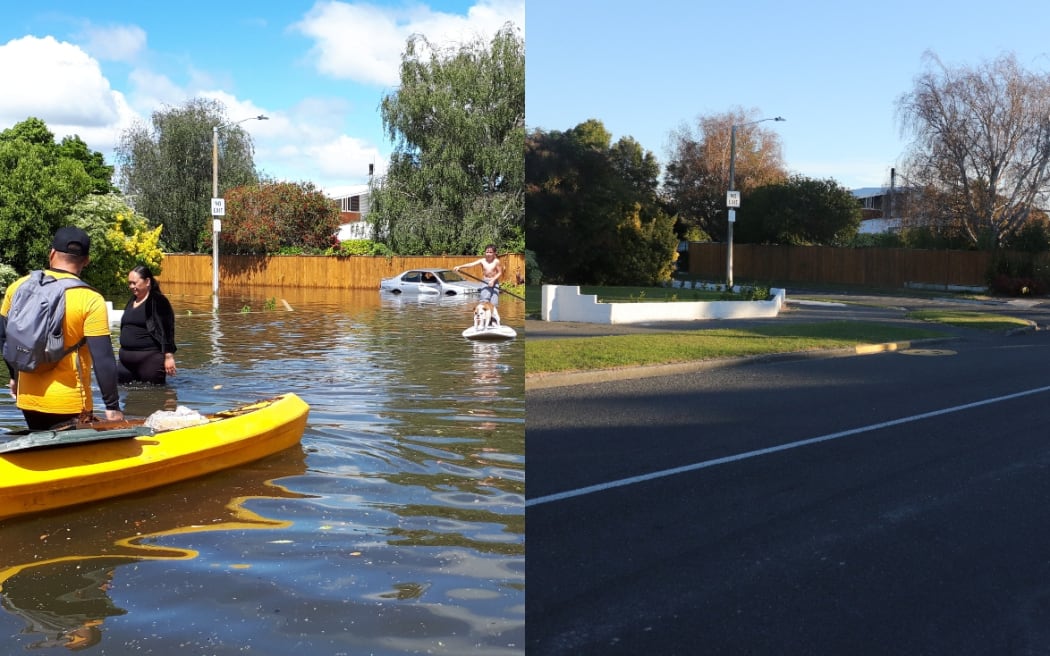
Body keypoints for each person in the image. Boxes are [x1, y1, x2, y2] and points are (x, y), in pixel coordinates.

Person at [0, 226, 123, 430]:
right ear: (86, 261)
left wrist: (15, 377)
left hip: (28, 398)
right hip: (70, 402)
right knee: (75, 459)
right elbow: (103, 358)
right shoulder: (90, 299)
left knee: (43, 458)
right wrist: (112, 407)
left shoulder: (18, 287)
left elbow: (4, 337)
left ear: (52, 254)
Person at [117, 265, 177, 385]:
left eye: (134, 283)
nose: (131, 287)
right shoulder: (132, 300)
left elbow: (167, 328)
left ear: (147, 281)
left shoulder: (159, 301)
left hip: (149, 359)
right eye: (129, 283)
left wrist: (169, 356)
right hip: (125, 361)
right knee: (127, 399)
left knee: (153, 396)